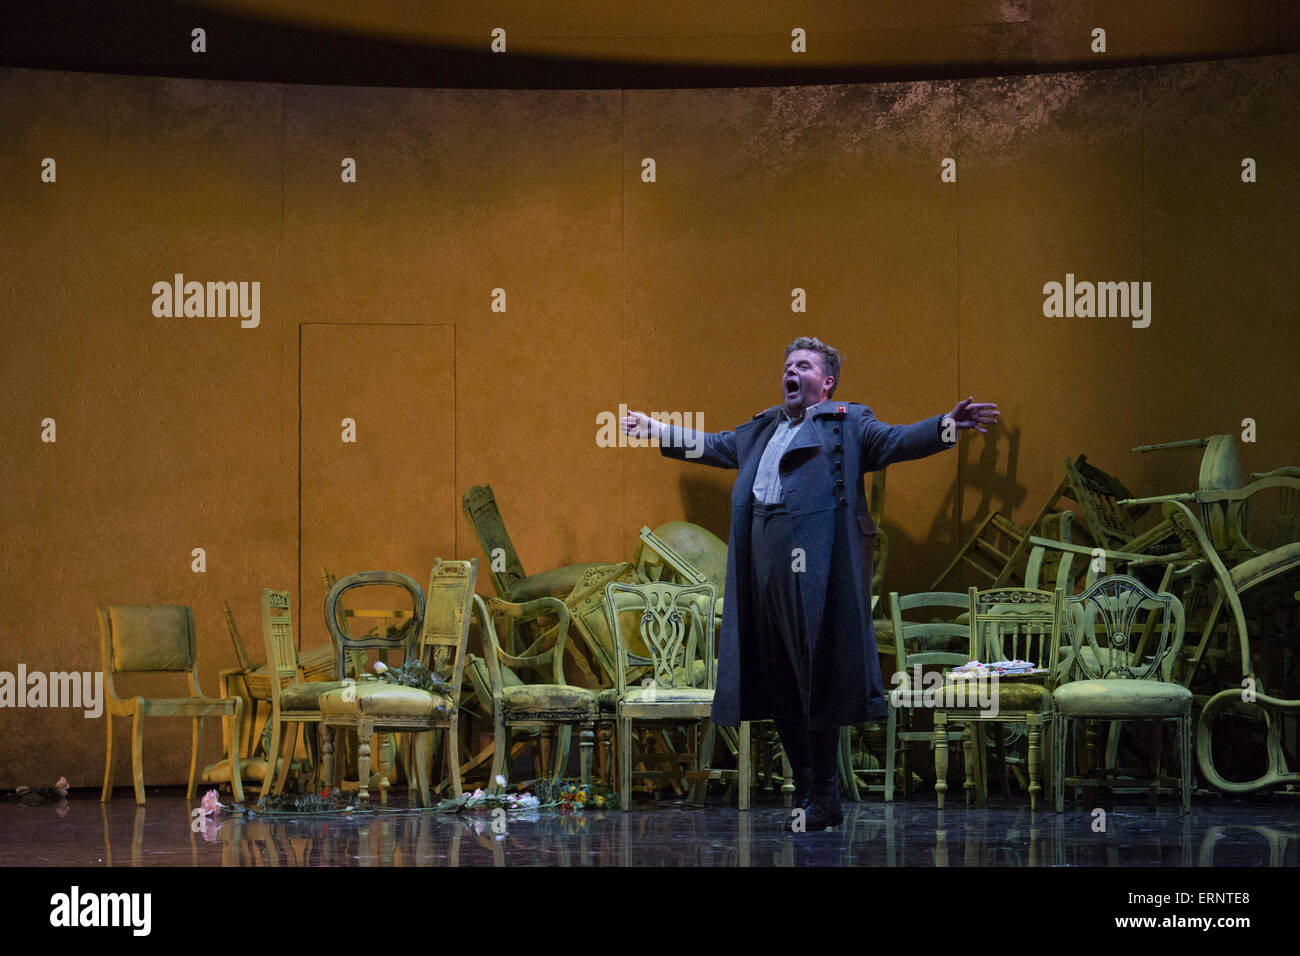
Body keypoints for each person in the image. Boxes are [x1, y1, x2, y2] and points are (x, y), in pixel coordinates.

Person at [622, 336, 998, 831]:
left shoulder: (847, 423)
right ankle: (805, 786)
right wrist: (657, 430)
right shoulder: (761, 429)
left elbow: (897, 440)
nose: (790, 372)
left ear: (826, 382)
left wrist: (948, 425)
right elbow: (712, 446)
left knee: (813, 676)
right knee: (777, 678)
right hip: (759, 561)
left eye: (803, 366)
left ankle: (825, 792)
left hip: (811, 567)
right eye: (787, 366)